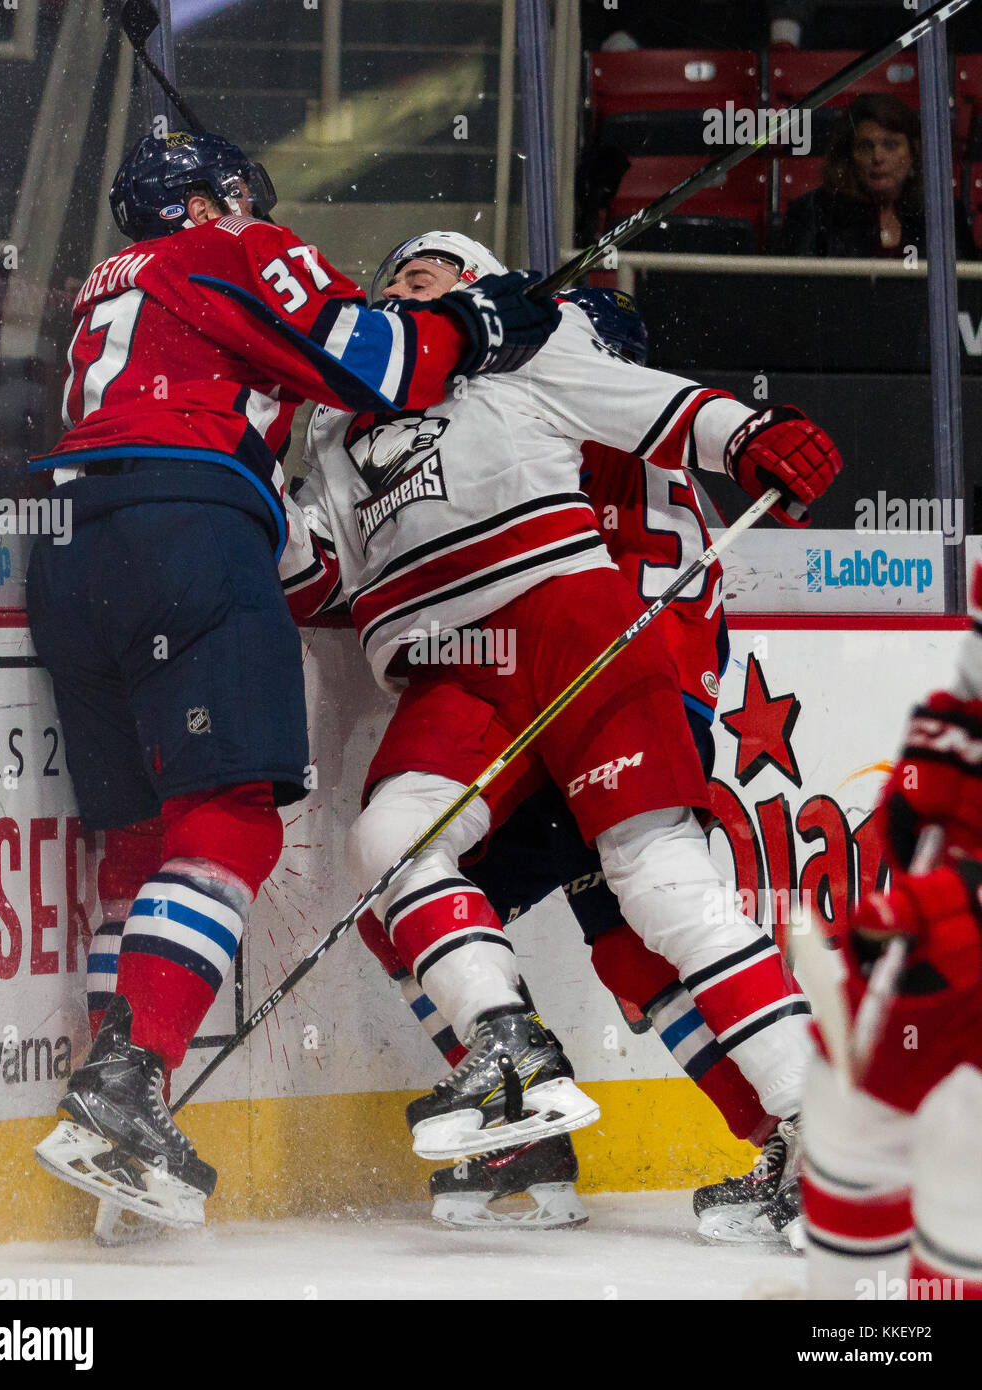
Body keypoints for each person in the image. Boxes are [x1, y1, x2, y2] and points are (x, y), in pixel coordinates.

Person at [27, 136, 562, 1231]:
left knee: (138, 848)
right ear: (213, 200)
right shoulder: (233, 246)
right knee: (232, 818)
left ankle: (118, 1136)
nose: (262, 213)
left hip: (67, 546)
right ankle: (128, 1091)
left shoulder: (100, 292)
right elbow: (382, 361)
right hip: (185, 525)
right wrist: (479, 322)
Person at [279, 230, 841, 1239]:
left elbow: (661, 409)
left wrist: (749, 433)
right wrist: (234, 481)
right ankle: (516, 1073)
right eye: (394, 273)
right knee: (409, 863)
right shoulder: (340, 417)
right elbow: (315, 566)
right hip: (460, 663)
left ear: (485, 290)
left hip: (576, 644)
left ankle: (819, 1144)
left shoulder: (525, 350)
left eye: (435, 270)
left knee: (656, 902)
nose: (407, 281)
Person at [800, 569, 982, 1298]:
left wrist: (939, 908)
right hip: (937, 990)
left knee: (965, 1146)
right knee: (854, 1115)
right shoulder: (955, 719)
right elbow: (914, 830)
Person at [778, 93, 976, 261]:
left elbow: (967, 292)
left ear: (913, 152)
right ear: (849, 155)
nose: (877, 158)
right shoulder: (812, 212)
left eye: (890, 145)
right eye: (865, 147)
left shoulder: (944, 213)